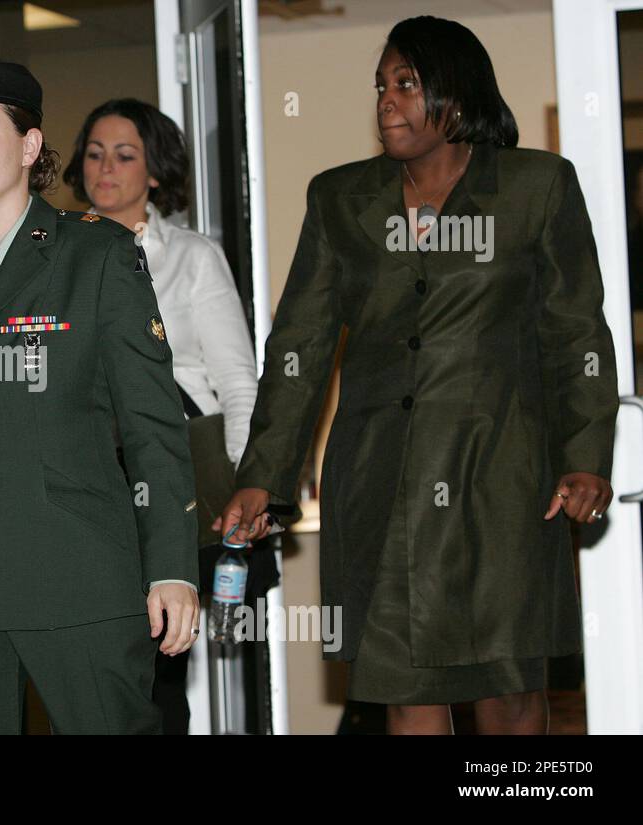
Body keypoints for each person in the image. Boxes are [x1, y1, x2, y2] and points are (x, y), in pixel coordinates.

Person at [215, 16, 618, 735]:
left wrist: (585, 458)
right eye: (380, 85)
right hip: (380, 485)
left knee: (510, 697)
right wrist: (262, 473)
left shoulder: (536, 188)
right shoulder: (340, 200)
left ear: (456, 98)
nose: (385, 101)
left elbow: (576, 332)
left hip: (501, 484)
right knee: (403, 694)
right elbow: (299, 346)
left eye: (405, 83)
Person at [0, 54, 200, 735]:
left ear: (29, 146)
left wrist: (172, 565)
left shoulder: (97, 256)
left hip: (77, 576)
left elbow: (152, 424)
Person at [64, 98, 259, 734]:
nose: (104, 168)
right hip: (88, 476)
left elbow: (235, 378)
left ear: (155, 173)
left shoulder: (192, 257)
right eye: (94, 154)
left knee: (161, 660)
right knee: (89, 657)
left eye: (124, 155)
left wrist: (243, 483)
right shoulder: (52, 258)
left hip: (175, 464)